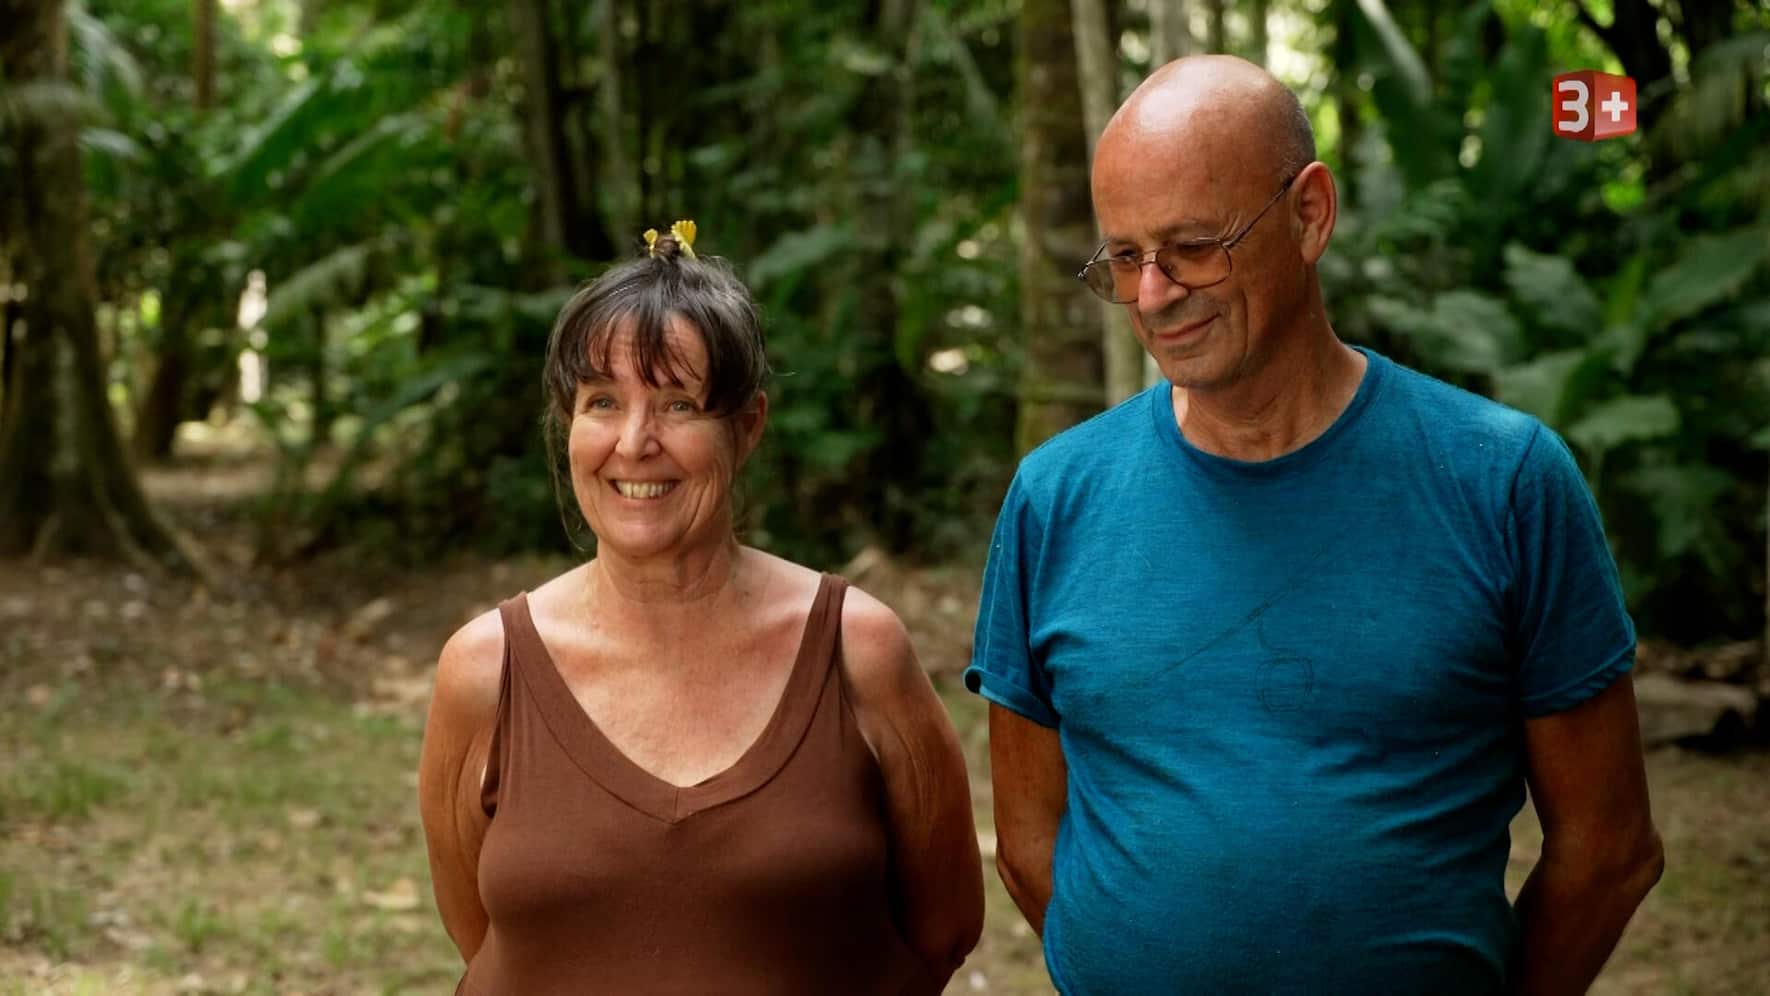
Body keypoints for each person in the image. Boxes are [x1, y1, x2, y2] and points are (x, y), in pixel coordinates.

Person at [967, 57, 1663, 995]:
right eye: (1124, 258)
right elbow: (1026, 843)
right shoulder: (1055, 497)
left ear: (1309, 215)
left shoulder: (1503, 480)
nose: (1154, 295)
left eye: (1193, 246)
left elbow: (1610, 847)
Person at [419, 221, 983, 995]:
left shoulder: (859, 651)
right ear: (567, 425)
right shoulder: (486, 671)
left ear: (747, 428)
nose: (634, 442)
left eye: (678, 405)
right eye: (602, 401)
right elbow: (479, 936)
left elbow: (943, 927)